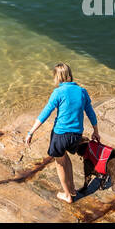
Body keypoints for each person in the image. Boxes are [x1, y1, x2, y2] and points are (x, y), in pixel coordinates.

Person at [25, 63, 99, 204]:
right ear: (70, 75)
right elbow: (90, 113)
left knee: (59, 163)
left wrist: (31, 132)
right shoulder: (82, 91)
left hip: (60, 135)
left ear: (57, 78)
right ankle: (72, 190)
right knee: (66, 158)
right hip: (76, 136)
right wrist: (96, 131)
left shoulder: (58, 92)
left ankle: (67, 195)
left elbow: (45, 113)